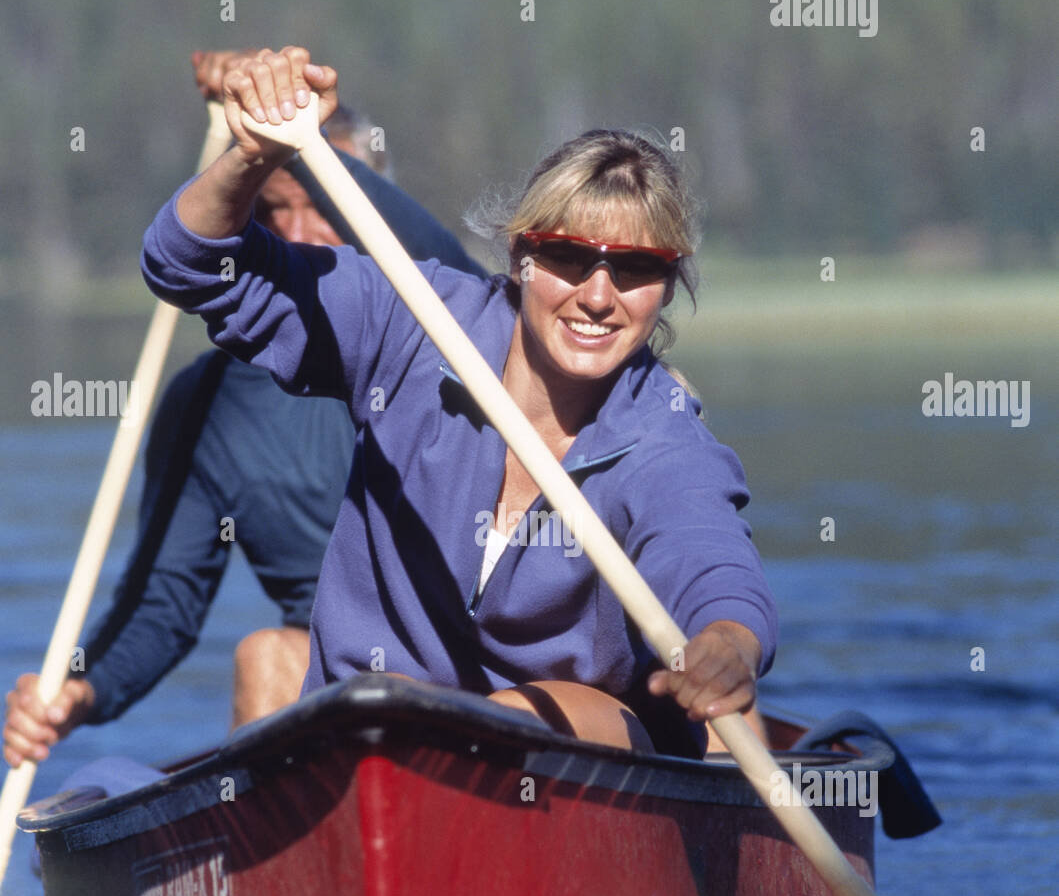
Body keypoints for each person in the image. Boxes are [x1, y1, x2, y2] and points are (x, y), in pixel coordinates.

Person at [140, 45, 777, 756]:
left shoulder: (662, 437)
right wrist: (253, 155)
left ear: (667, 285)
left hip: (577, 755)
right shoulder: (412, 323)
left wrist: (726, 643)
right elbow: (187, 263)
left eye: (634, 269)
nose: (597, 297)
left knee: (505, 716)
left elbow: (710, 560)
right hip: (369, 744)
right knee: (294, 675)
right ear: (521, 257)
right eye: (568, 256)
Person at [2, 54, 484, 771]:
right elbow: (164, 607)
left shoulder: (453, 334)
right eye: (272, 210)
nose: (298, 236)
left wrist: (296, 131)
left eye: (322, 205)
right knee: (266, 658)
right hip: (336, 681)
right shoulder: (205, 406)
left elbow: (439, 259)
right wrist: (80, 691)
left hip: (486, 666)